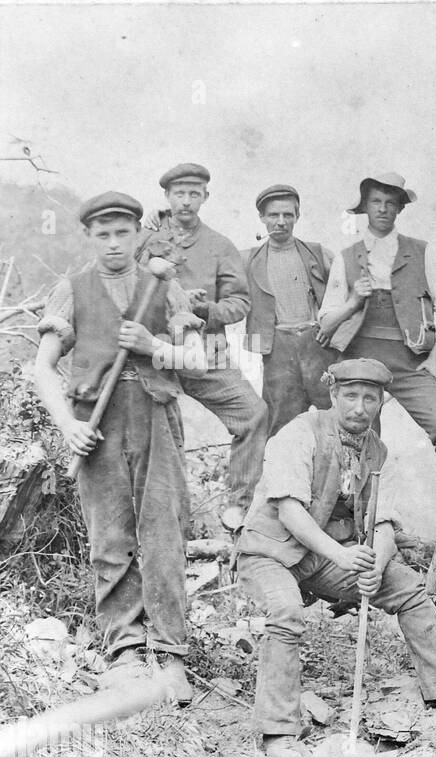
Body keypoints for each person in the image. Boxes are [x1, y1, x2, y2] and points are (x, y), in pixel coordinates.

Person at [234, 358, 436, 757]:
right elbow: (290, 511)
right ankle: (279, 731)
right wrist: (340, 554)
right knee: (285, 612)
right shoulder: (299, 433)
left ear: (380, 402)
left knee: (405, 587)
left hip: (323, 561)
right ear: (334, 396)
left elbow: (384, 520)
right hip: (271, 553)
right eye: (351, 397)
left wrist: (377, 560)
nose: (360, 408)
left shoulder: (378, 451)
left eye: (370, 399)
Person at [32, 191, 204, 701]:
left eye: (122, 233)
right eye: (102, 235)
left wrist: (157, 348)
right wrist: (67, 425)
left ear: (137, 233)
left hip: (154, 414)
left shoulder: (165, 284)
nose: (112, 244)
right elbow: (42, 367)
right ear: (90, 236)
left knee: (164, 532)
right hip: (96, 423)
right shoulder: (73, 288)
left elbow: (198, 359)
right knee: (109, 534)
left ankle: (171, 653)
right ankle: (125, 650)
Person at [316, 171, 436, 572]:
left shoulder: (421, 252)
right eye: (376, 202)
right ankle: (360, 526)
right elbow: (325, 324)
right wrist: (354, 299)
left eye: (391, 202)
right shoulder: (347, 256)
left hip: (409, 360)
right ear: (364, 207)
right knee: (359, 439)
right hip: (362, 361)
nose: (383, 209)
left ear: (401, 208)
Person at [142, 162, 265, 532]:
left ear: (206, 197)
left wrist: (203, 309)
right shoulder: (147, 238)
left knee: (254, 414)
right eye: (179, 193)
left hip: (207, 351)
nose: (186, 201)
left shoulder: (219, 245)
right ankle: (161, 518)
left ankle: (237, 505)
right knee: (157, 438)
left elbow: (240, 303)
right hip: (153, 353)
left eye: (194, 194)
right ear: (167, 197)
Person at [242, 184, 336, 435]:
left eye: (288, 215)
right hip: (277, 349)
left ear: (297, 216)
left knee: (336, 420)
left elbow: (345, 290)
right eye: (273, 215)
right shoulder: (247, 260)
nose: (281, 222)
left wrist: (334, 327)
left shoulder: (318, 253)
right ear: (262, 217)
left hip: (318, 344)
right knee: (282, 427)